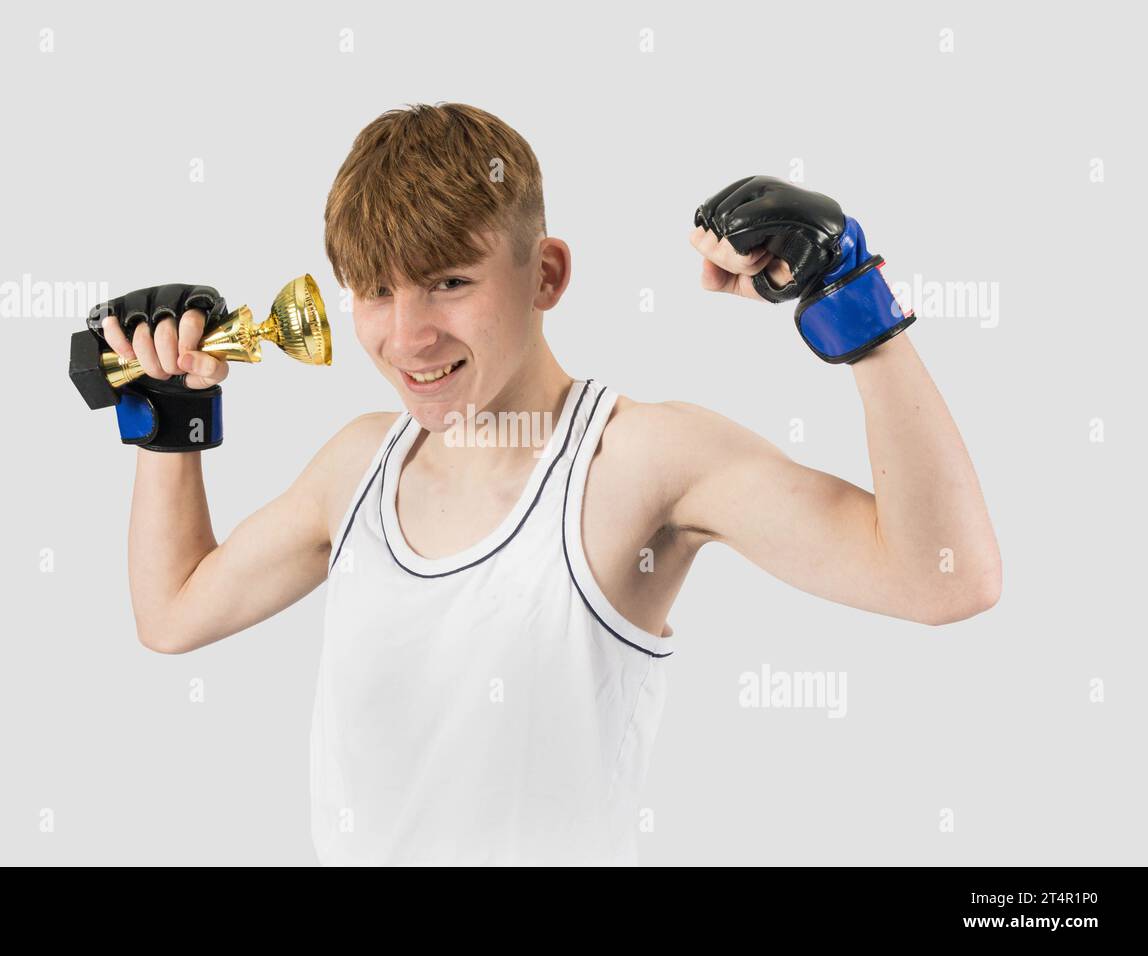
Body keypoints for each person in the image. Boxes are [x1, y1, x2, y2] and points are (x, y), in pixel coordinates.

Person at [84, 102, 1001, 865]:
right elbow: (172, 614)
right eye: (374, 290)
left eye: (448, 282)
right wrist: (167, 418)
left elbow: (946, 577)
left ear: (546, 274)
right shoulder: (356, 466)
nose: (407, 338)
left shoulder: (638, 458)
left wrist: (854, 307)